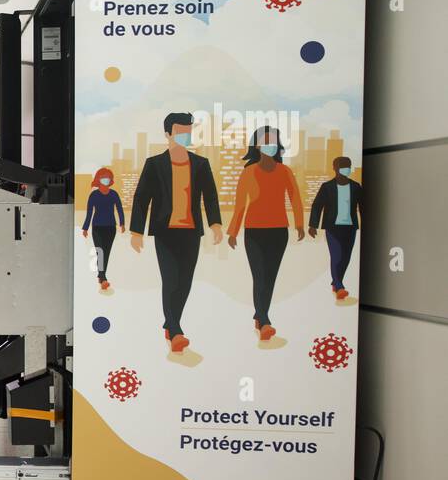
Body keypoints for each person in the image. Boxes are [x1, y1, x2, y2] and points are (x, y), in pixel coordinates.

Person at [129, 112, 223, 354]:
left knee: (185, 283)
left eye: (188, 132)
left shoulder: (200, 164)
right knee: (170, 280)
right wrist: (136, 232)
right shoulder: (155, 164)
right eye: (180, 132)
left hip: (191, 232)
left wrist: (216, 224)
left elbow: (210, 196)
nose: (185, 136)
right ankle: (175, 330)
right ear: (168, 134)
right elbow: (141, 199)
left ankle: (171, 324)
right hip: (165, 231)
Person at [227, 126, 304, 341]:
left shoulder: (285, 171)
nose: (269, 146)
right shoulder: (249, 171)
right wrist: (233, 231)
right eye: (265, 142)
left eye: (273, 142)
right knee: (259, 276)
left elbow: (295, 198)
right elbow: (240, 203)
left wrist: (299, 224)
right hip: (254, 232)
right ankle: (264, 319)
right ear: (257, 146)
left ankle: (260, 316)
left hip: (279, 231)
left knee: (270, 277)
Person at [308, 155, 363, 301]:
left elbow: (364, 206)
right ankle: (339, 286)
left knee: (346, 258)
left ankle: (336, 281)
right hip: (333, 227)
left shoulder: (356, 187)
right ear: (335, 168)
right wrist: (313, 225)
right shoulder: (327, 187)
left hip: (350, 228)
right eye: (343, 166)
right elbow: (317, 205)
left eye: (348, 166)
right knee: (336, 256)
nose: (346, 169)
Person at [81, 167, 125, 290]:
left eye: (108, 178)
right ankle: (103, 277)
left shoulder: (114, 194)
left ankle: (101, 275)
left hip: (111, 228)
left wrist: (122, 223)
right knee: (100, 251)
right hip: (97, 228)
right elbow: (89, 212)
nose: (106, 180)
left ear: (111, 180)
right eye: (103, 177)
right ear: (98, 179)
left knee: (106, 253)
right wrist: (85, 228)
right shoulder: (94, 195)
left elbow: (119, 209)